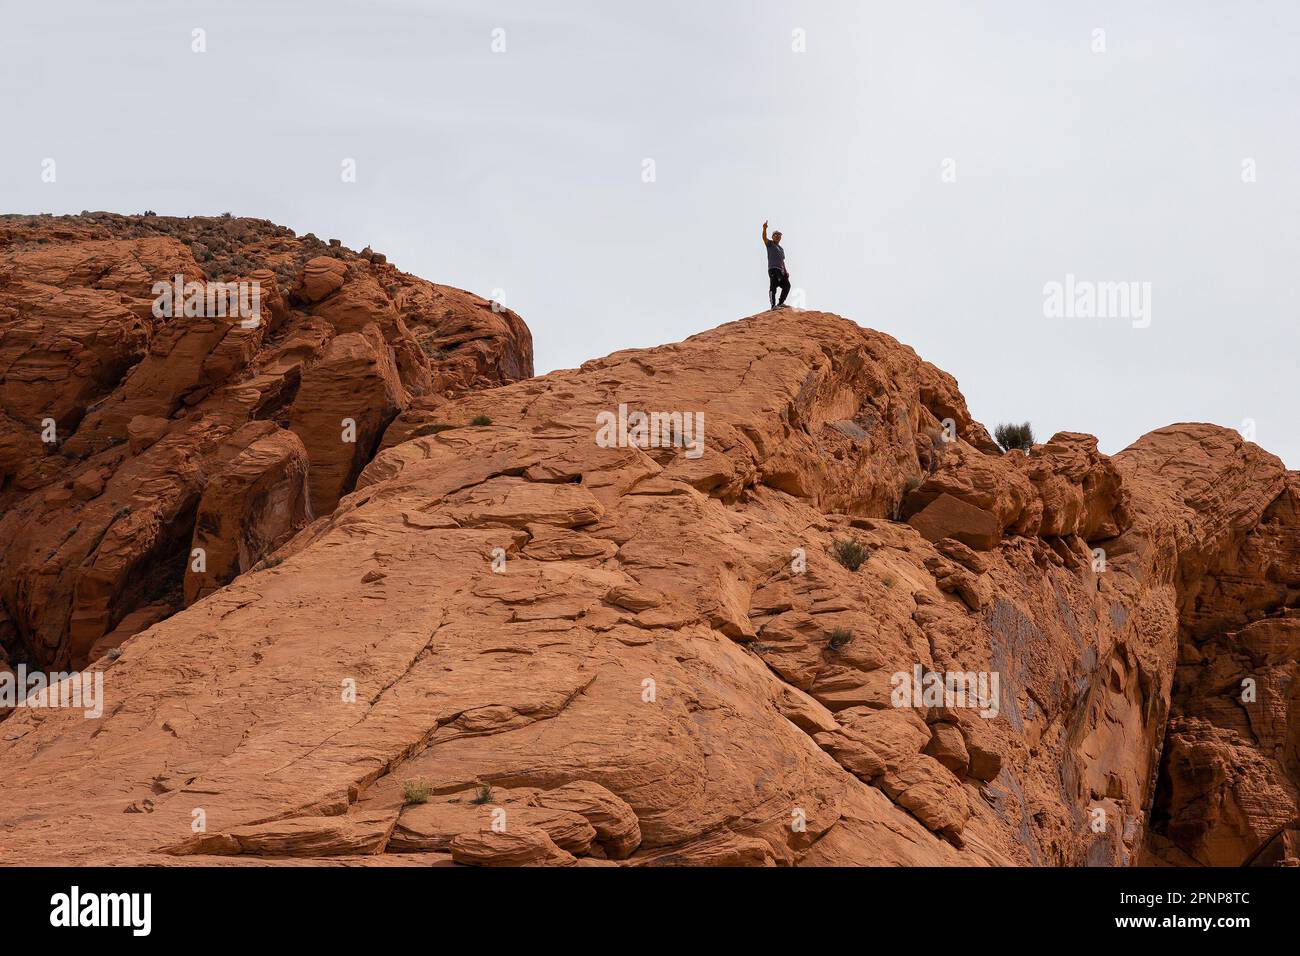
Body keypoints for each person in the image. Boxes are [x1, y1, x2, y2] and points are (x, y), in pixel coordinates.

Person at [762, 220, 790, 309]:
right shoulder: (770, 244)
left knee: (787, 285)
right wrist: (764, 229)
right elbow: (764, 238)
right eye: (776, 235)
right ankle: (773, 306)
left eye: (779, 235)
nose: (778, 236)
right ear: (773, 237)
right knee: (773, 286)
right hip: (773, 269)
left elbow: (782, 261)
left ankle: (780, 303)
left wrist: (786, 271)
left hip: (780, 270)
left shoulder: (781, 249)